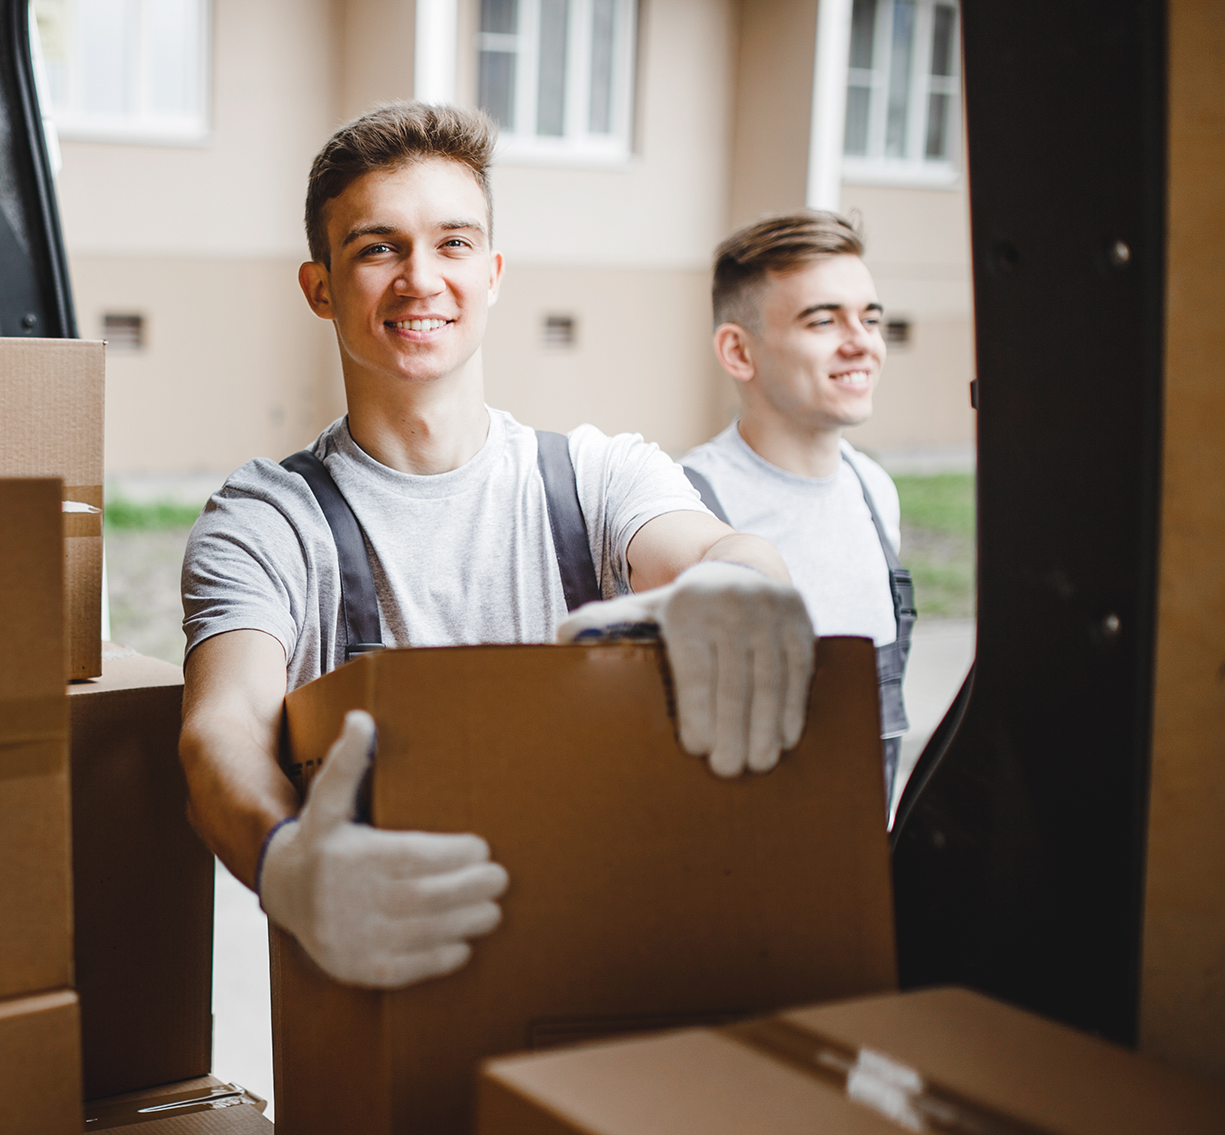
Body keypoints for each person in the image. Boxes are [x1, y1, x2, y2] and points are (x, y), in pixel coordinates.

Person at [176, 102, 818, 992]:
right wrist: (286, 861)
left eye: (453, 243)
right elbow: (222, 727)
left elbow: (721, 551)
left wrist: (746, 585)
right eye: (376, 248)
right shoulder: (266, 520)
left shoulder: (596, 476)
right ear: (320, 287)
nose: (419, 280)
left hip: (605, 978)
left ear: (494, 271)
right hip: (386, 996)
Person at [678, 214, 915, 802]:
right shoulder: (686, 508)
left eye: (871, 318)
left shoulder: (874, 488)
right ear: (738, 351)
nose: (861, 341)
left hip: (866, 848)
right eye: (824, 320)